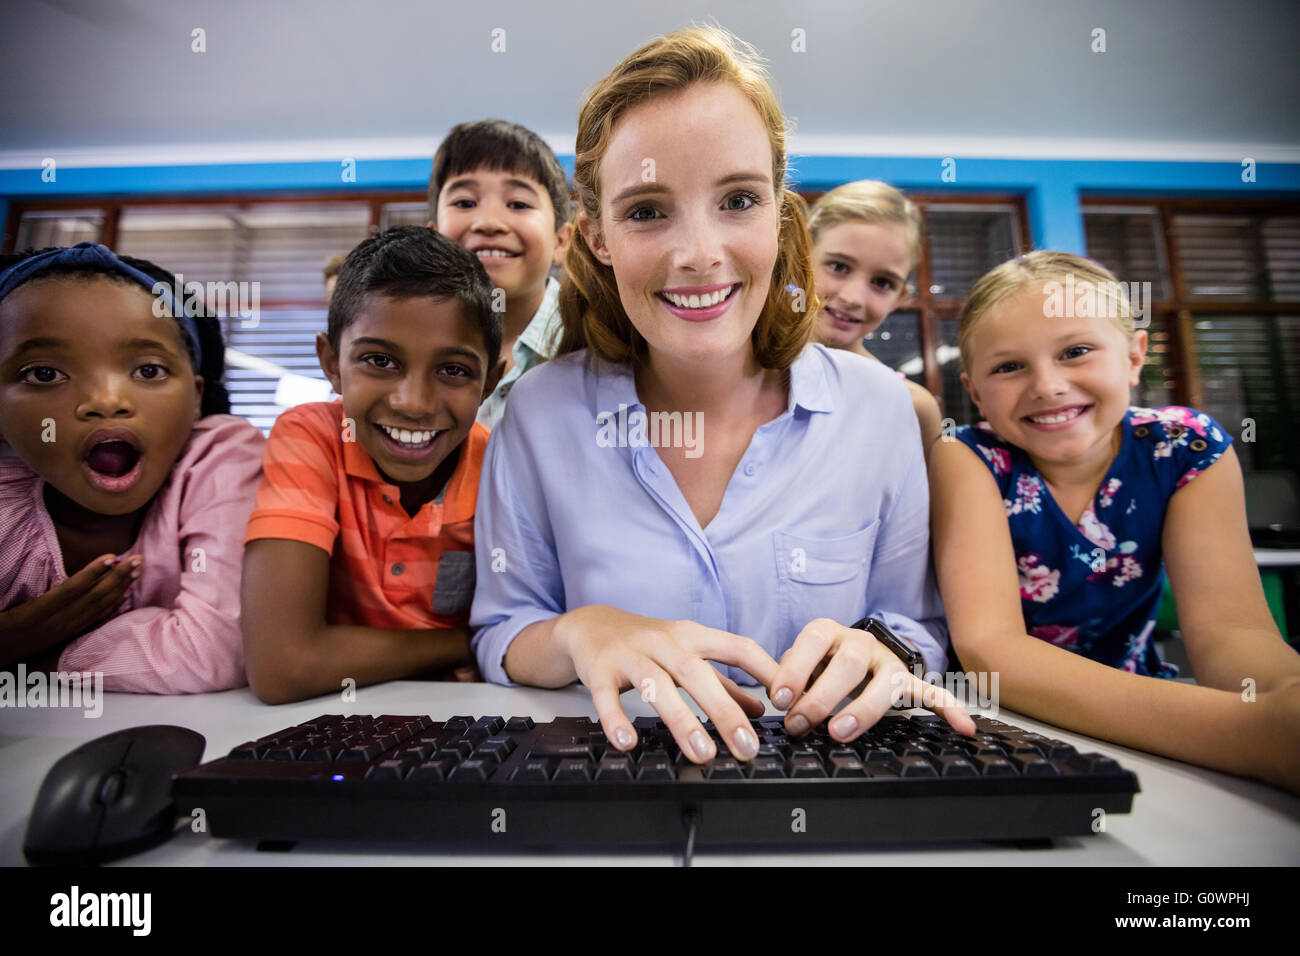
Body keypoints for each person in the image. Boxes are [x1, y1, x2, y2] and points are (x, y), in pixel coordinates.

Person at [471, 25, 973, 765]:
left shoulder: (880, 410)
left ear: (779, 212)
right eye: (645, 210)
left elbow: (917, 623)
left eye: (738, 199)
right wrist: (586, 631)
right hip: (607, 798)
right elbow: (502, 631)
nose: (700, 254)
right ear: (597, 238)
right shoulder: (539, 416)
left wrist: (883, 652)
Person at [929, 250, 1300, 792]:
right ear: (975, 390)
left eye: (1076, 351)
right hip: (995, 726)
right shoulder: (966, 456)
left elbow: (1231, 630)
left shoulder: (1186, 448)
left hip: (1153, 714)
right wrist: (1254, 732)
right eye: (1009, 366)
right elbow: (991, 648)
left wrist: (1284, 693)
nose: (1047, 385)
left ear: (1134, 356)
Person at [241, 226, 504, 704]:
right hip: (325, 724)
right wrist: (461, 644)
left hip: (466, 725)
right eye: (380, 361)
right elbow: (282, 666)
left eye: (453, 370)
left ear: (491, 382)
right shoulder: (311, 438)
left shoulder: (502, 468)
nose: (415, 403)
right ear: (331, 363)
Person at [0, 242, 264, 692]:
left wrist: (28, 648)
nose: (106, 401)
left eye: (148, 371)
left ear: (197, 397)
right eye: (45, 374)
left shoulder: (217, 458)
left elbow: (215, 648)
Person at [427, 119, 573, 428]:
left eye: (518, 204)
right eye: (465, 202)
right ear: (434, 236)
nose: (489, 222)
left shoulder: (601, 343)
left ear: (561, 241)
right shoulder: (408, 340)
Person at [808, 180, 943, 449]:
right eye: (838, 266)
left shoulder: (911, 406)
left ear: (900, 298)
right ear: (800, 256)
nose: (852, 298)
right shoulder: (738, 372)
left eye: (882, 283)